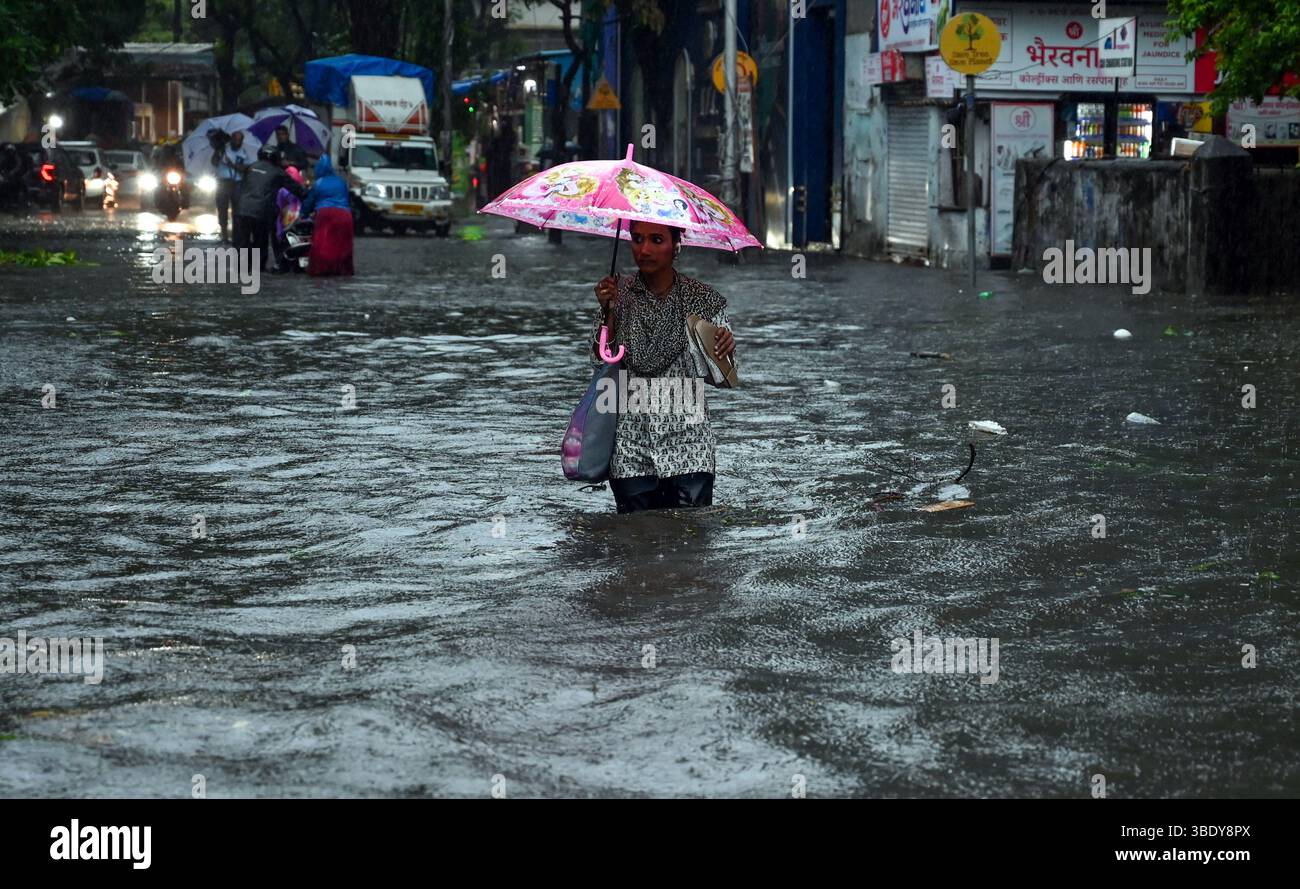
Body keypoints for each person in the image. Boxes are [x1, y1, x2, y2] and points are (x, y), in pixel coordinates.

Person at [591, 220, 736, 514]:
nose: (644, 249)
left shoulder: (704, 300)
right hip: (632, 447)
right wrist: (608, 312)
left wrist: (723, 348)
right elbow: (599, 360)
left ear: (676, 245)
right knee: (636, 546)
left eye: (656, 240)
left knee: (690, 545)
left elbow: (724, 377)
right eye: (637, 239)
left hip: (689, 447)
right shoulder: (617, 295)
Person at [234, 146, 305, 271]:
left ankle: (242, 266)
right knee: (260, 240)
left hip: (242, 209)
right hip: (261, 211)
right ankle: (258, 266)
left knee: (242, 240)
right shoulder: (278, 172)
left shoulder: (251, 167)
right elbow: (297, 189)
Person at [299, 154, 354, 276]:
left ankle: (322, 269)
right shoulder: (341, 182)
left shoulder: (318, 183)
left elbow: (309, 202)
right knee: (342, 244)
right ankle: (341, 269)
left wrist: (303, 214)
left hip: (325, 215)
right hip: (345, 215)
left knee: (323, 243)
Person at [214, 130, 251, 242]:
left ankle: (236, 236)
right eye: (235, 139)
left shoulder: (244, 153)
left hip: (237, 183)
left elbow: (245, 168)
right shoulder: (223, 150)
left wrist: (232, 165)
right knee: (222, 208)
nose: (237, 141)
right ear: (231, 139)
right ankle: (224, 235)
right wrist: (217, 151)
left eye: (239, 140)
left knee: (238, 211)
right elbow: (214, 162)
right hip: (223, 182)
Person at [274, 164, 305, 271]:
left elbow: (279, 207)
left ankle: (283, 265)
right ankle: (297, 266)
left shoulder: (282, 190)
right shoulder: (301, 188)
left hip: (286, 220)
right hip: (299, 221)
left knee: (284, 244)